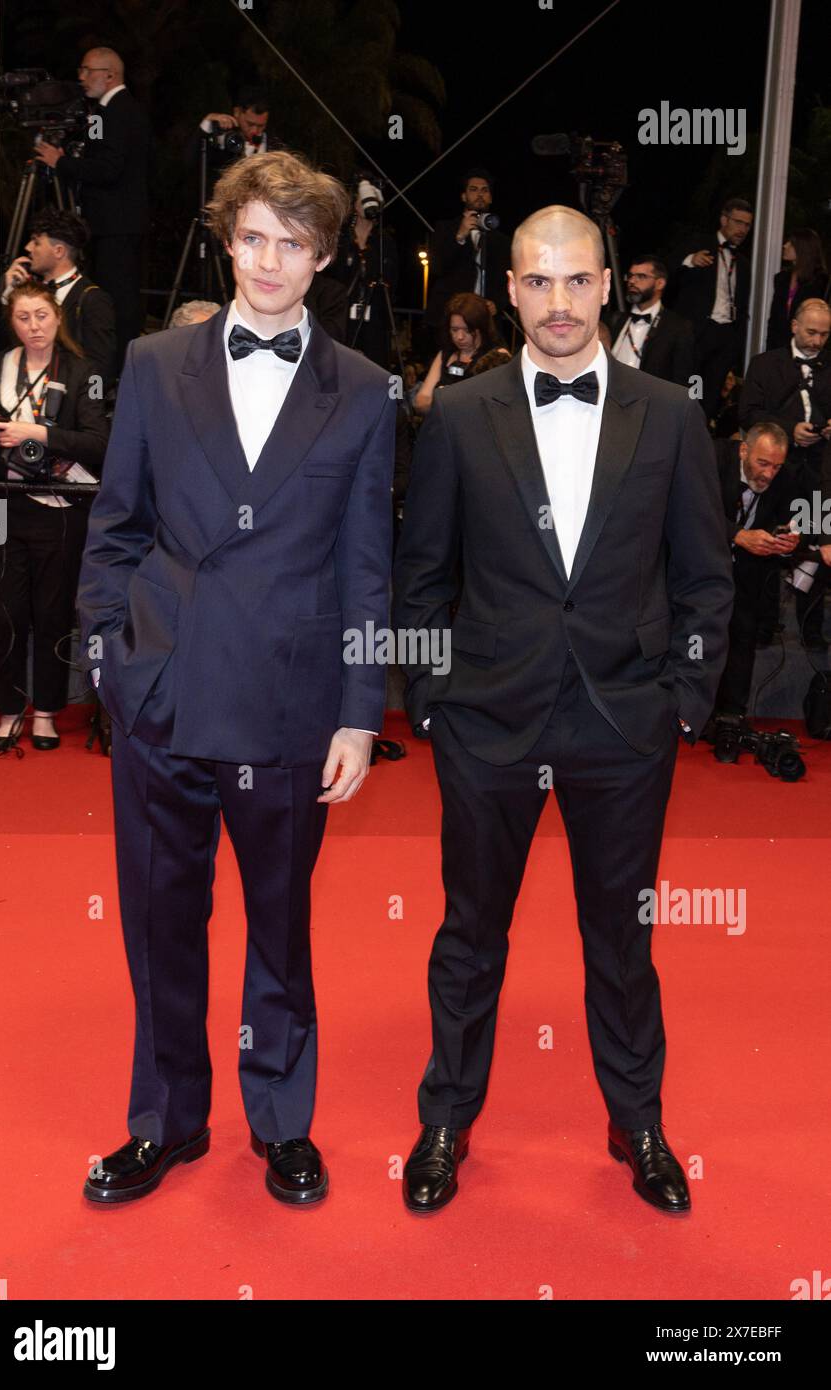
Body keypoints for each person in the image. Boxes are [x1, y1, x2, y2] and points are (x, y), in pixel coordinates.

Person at [393, 204, 734, 1217]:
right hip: (488, 723)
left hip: (625, 726)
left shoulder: (670, 414)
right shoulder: (459, 413)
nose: (557, 301)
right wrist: (433, 703)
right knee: (469, 934)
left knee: (621, 943)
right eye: (536, 281)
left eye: (575, 280)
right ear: (509, 288)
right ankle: (447, 1117)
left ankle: (638, 1122)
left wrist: (685, 700)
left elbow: (707, 578)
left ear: (609, 284)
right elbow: (422, 578)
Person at [75, 150, 395, 1208]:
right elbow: (114, 527)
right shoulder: (156, 363)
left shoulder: (362, 391)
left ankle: (280, 1122)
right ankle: (166, 1120)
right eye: (252, 236)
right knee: (160, 923)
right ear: (227, 239)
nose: (269, 260)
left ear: (323, 258)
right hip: (163, 696)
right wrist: (108, 655)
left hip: (289, 705)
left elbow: (366, 566)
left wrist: (359, 710)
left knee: (279, 926)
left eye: (293, 243)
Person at [0, 282, 109, 751]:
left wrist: (39, 434)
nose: (34, 327)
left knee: (52, 611)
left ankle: (47, 711)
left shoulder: (82, 371)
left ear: (58, 317)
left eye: (42, 316)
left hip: (58, 502)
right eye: (24, 318)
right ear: (12, 322)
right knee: (0, 614)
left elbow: (99, 443)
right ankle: (9, 711)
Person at [36, 47, 150, 367]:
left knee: (119, 300)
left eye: (88, 71)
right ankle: (109, 369)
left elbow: (108, 168)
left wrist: (62, 163)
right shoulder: (102, 112)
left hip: (118, 223)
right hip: (109, 223)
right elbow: (96, 157)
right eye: (81, 70)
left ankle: (117, 371)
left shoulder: (120, 111)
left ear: (109, 75)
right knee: (111, 296)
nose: (81, 78)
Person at [739, 298, 831, 650]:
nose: (817, 341)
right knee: (769, 544)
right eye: (811, 332)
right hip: (775, 474)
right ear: (794, 325)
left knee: (816, 547)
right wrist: (791, 430)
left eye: (824, 334)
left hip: (818, 474)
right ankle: (763, 624)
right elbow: (747, 414)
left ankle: (810, 629)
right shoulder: (766, 364)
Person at [709, 424, 802, 730]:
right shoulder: (712, 458)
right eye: (763, 464)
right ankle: (689, 712)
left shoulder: (784, 478)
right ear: (744, 450)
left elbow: (787, 520)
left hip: (747, 573)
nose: (768, 474)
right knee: (697, 640)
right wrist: (739, 535)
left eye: (776, 466)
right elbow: (692, 513)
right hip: (697, 568)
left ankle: (731, 717)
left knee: (743, 637)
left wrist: (787, 541)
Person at [0, 210, 117, 387]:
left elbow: (101, 369)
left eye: (36, 242)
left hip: (68, 407)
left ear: (58, 251)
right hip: (21, 399)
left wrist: (90, 407)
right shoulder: (29, 293)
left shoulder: (92, 299)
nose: (28, 248)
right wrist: (7, 295)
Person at [668, 198, 753, 419]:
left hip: (725, 336)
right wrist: (690, 260)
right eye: (738, 222)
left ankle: (704, 434)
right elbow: (667, 271)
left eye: (747, 225)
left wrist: (737, 343)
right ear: (724, 219)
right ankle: (686, 429)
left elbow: (743, 306)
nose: (742, 229)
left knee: (713, 392)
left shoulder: (743, 263)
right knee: (691, 387)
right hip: (698, 333)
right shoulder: (698, 244)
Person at [425, 169, 511, 343]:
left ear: (491, 198)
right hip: (450, 319)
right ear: (464, 196)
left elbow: (508, 280)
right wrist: (460, 237)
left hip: (485, 322)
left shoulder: (502, 241)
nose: (479, 194)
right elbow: (437, 267)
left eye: (484, 190)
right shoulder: (445, 229)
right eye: (473, 189)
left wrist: (498, 303)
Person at [323, 176, 399, 369]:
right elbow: (330, 275)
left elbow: (393, 281)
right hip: (342, 314)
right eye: (363, 200)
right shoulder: (341, 239)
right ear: (355, 205)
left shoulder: (384, 242)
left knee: (372, 367)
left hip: (374, 318)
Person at [608, 255, 694, 386]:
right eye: (630, 276)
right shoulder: (615, 320)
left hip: (650, 402)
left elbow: (682, 380)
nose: (632, 281)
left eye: (641, 276)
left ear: (660, 283)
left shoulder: (678, 327)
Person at [414, 293, 499, 414]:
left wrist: (444, 397)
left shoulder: (496, 356)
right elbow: (420, 402)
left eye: (467, 330)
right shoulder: (446, 354)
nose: (459, 337)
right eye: (454, 330)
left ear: (481, 328)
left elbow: (491, 407)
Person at [766, 229, 829, 351]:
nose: (785, 246)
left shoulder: (821, 281)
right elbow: (773, 321)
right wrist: (770, 352)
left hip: (807, 348)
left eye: (791, 243)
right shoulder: (781, 279)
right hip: (778, 349)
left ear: (803, 248)